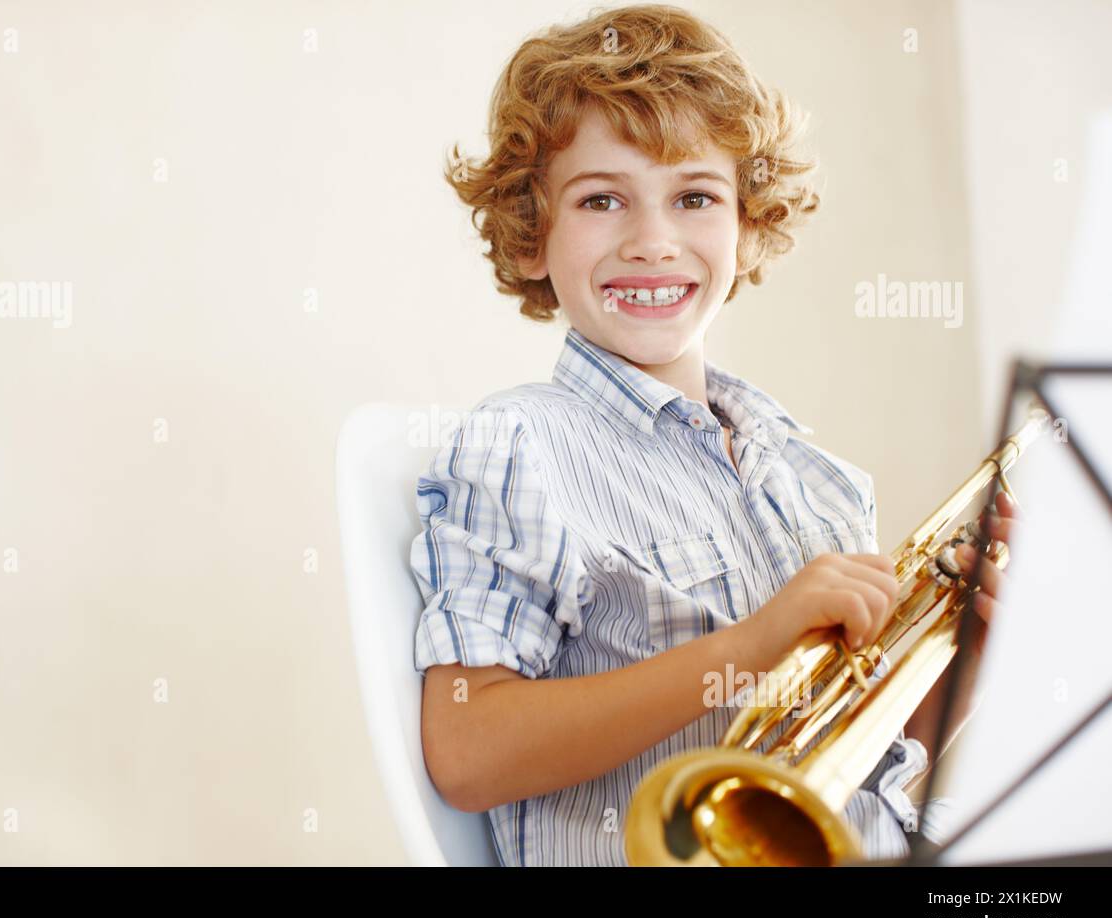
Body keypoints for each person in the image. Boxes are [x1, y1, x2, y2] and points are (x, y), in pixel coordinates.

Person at [408, 3, 1015, 866]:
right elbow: (468, 753)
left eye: (695, 196)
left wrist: (966, 648)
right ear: (533, 233)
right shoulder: (519, 446)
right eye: (601, 199)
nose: (652, 241)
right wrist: (742, 649)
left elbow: (863, 759)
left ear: (748, 223)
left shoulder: (820, 479)